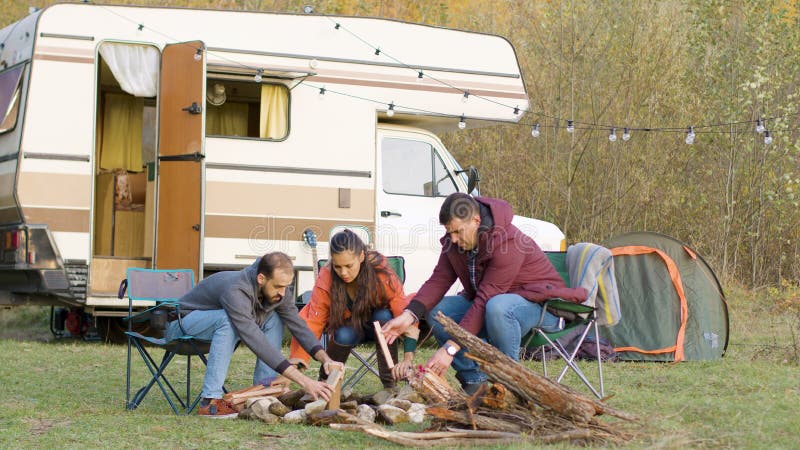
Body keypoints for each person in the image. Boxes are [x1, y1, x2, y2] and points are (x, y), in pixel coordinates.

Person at [382, 193, 587, 394]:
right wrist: (409, 315)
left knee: (498, 307)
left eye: (458, 232)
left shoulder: (508, 241)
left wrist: (450, 349)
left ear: (476, 220)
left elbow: (485, 300)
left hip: (541, 308)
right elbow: (439, 279)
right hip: (492, 306)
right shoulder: (455, 242)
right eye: (449, 232)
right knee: (438, 311)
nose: (453, 239)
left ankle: (509, 386)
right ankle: (474, 382)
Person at [166, 252, 343, 418]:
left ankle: (264, 389)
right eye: (278, 287)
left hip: (215, 327)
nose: (283, 293)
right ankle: (209, 401)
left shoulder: (276, 290)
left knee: (275, 317)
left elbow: (298, 325)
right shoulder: (236, 290)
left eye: (286, 287)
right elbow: (255, 340)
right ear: (261, 278)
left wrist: (325, 358)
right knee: (228, 321)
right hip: (182, 323)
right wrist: (305, 381)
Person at [290, 229, 419, 389]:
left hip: (381, 329)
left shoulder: (380, 272)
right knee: (343, 334)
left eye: (349, 266)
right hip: (350, 328)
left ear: (361, 257)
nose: (343, 273)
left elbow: (403, 312)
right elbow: (313, 320)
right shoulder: (327, 277)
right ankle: (326, 384)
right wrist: (294, 368)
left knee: (383, 315)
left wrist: (407, 359)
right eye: (338, 267)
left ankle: (390, 386)